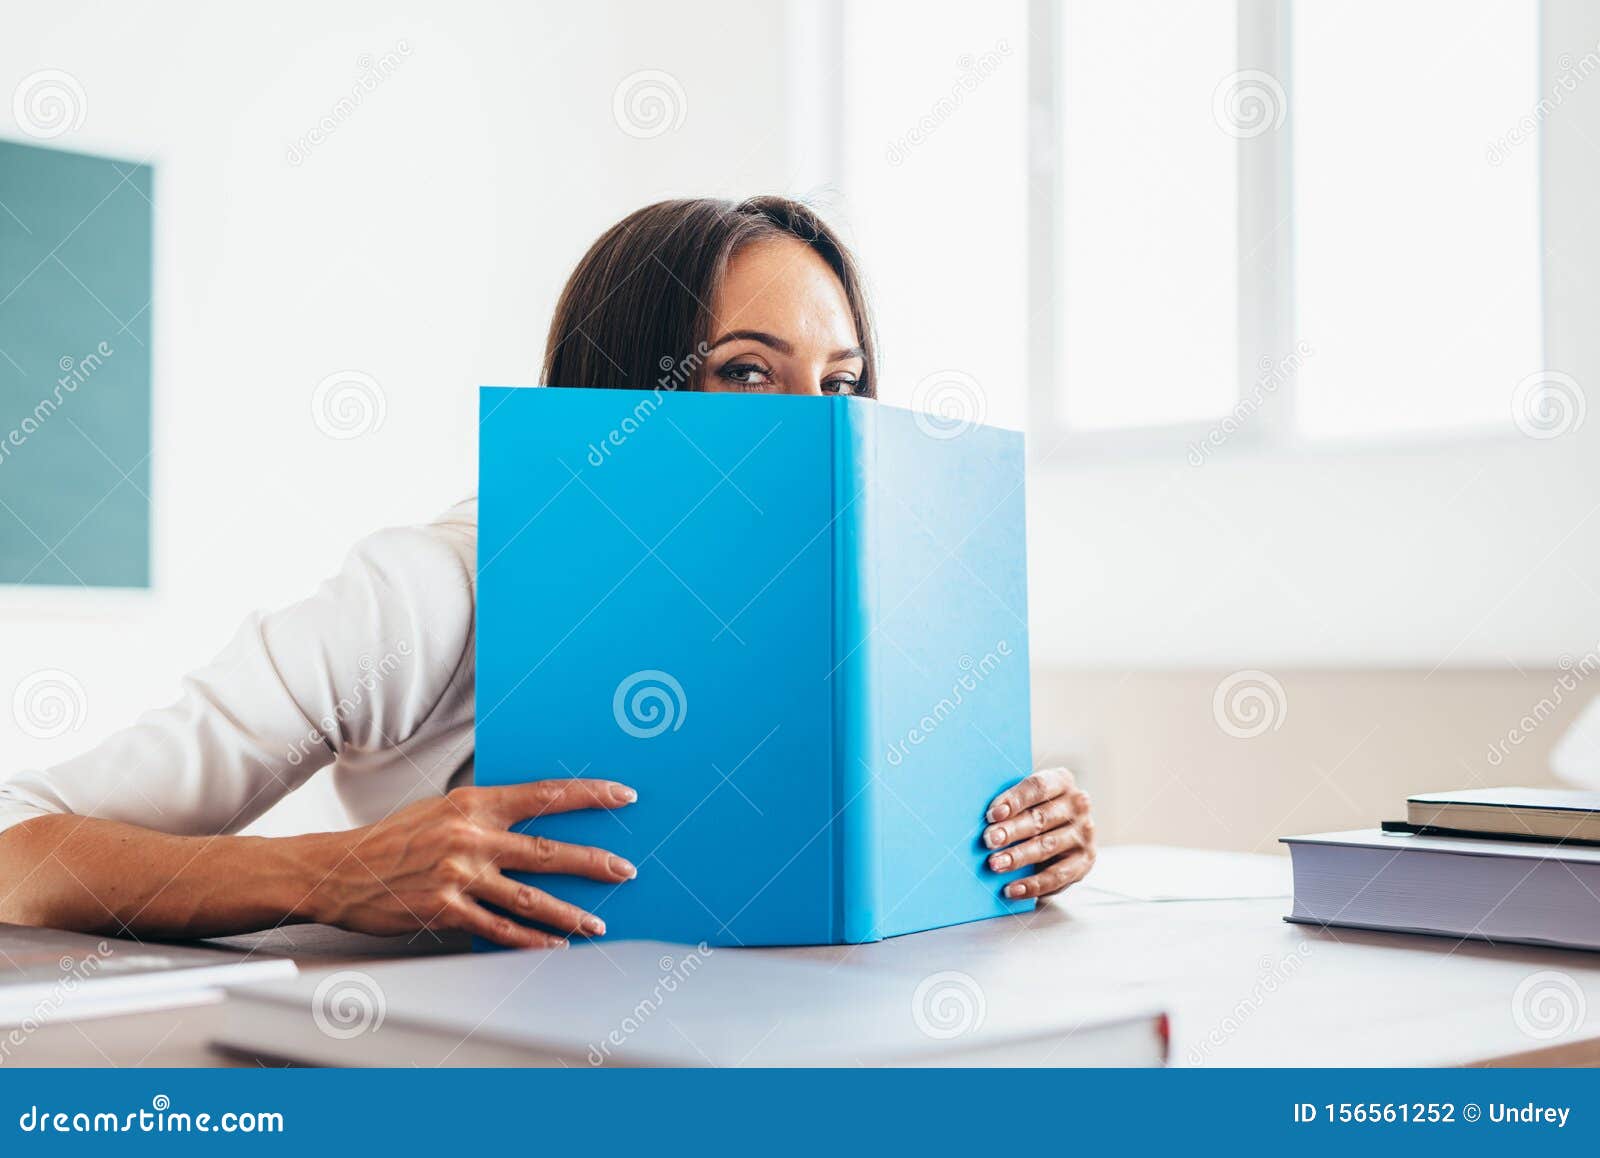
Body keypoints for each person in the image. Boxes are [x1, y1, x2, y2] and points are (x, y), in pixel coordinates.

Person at [0, 196, 1096, 949]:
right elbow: (21, 854)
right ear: (623, 389)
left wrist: (1014, 846)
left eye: (840, 386)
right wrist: (327, 873)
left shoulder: (865, 610)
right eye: (746, 374)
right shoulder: (434, 595)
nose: (812, 429)